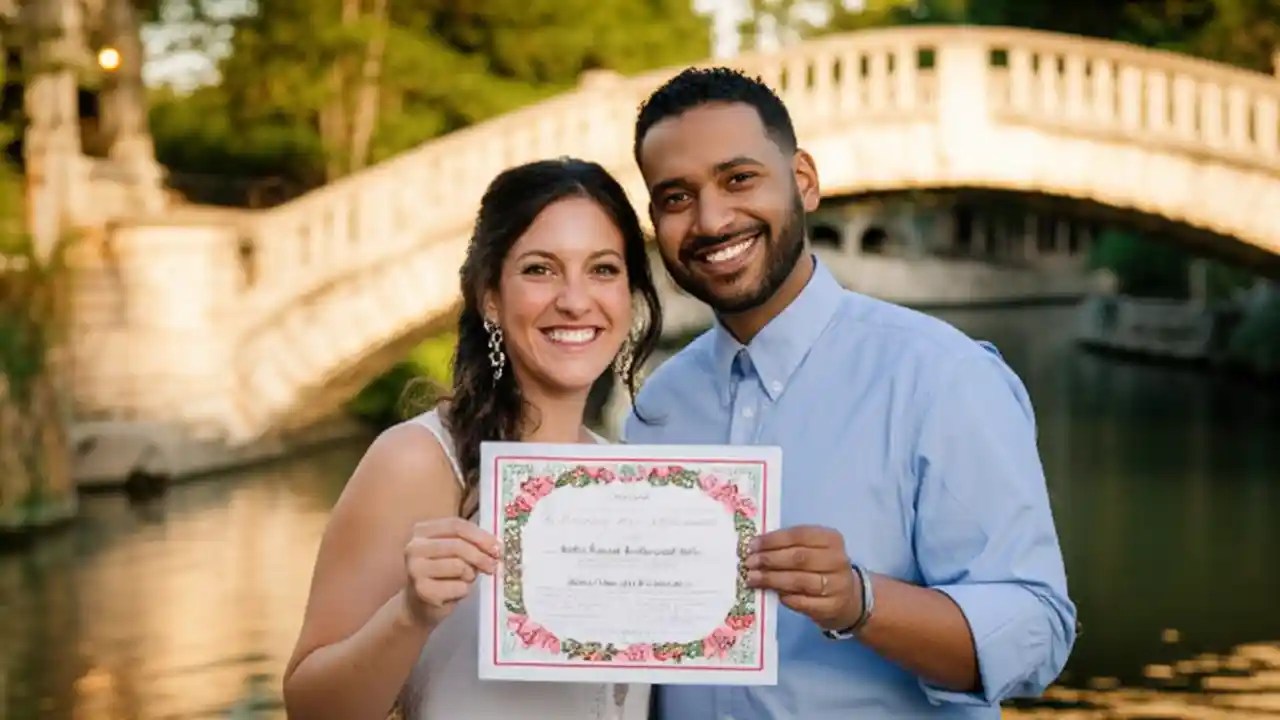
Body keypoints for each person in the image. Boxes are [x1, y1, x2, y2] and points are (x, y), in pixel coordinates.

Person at [623, 67, 1077, 718]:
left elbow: (1037, 636)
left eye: (738, 179)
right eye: (676, 197)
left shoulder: (941, 376)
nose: (711, 219)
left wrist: (861, 601)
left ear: (802, 180)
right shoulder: (659, 407)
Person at [282, 157, 662, 720]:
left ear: (629, 294)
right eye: (540, 269)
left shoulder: (634, 482)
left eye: (603, 269)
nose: (576, 299)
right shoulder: (420, 460)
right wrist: (410, 614)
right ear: (490, 296)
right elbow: (310, 709)